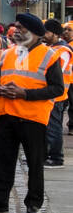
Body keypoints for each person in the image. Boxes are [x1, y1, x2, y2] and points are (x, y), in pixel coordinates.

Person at [0, 12, 66, 213]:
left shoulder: (49, 55)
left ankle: (33, 204)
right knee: (4, 161)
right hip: (6, 115)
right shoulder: (7, 54)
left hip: (33, 118)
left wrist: (25, 93)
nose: (15, 31)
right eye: (16, 28)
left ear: (33, 33)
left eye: (21, 28)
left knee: (35, 163)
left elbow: (58, 89)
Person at [42, 18, 69, 167]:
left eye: (47, 32)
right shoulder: (52, 48)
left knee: (53, 127)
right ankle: (46, 155)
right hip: (51, 93)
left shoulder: (62, 50)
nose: (44, 34)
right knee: (48, 126)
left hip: (57, 94)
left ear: (55, 34)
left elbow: (56, 70)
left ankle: (56, 158)